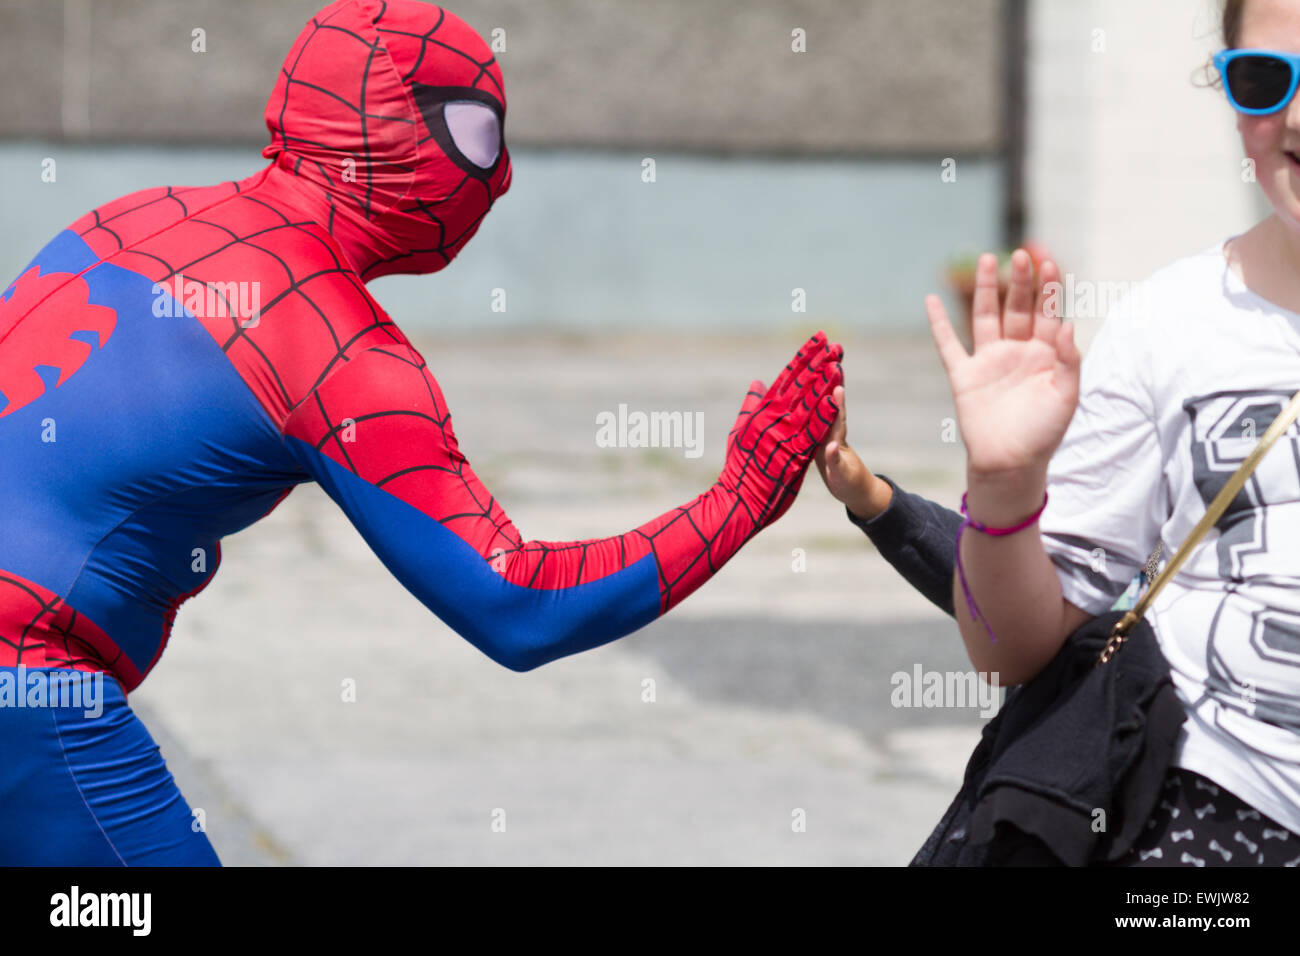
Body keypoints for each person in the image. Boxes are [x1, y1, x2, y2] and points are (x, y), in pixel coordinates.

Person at [0, 0, 843, 865]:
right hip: (27, 688)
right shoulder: (336, 350)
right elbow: (520, 607)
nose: (502, 176)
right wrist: (739, 500)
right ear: (395, 135)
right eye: (479, 134)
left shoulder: (126, 219)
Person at [819, 0, 1300, 865]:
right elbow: (1014, 649)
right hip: (1218, 832)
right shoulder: (1172, 325)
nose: (1297, 116)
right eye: (1267, 80)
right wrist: (1005, 486)